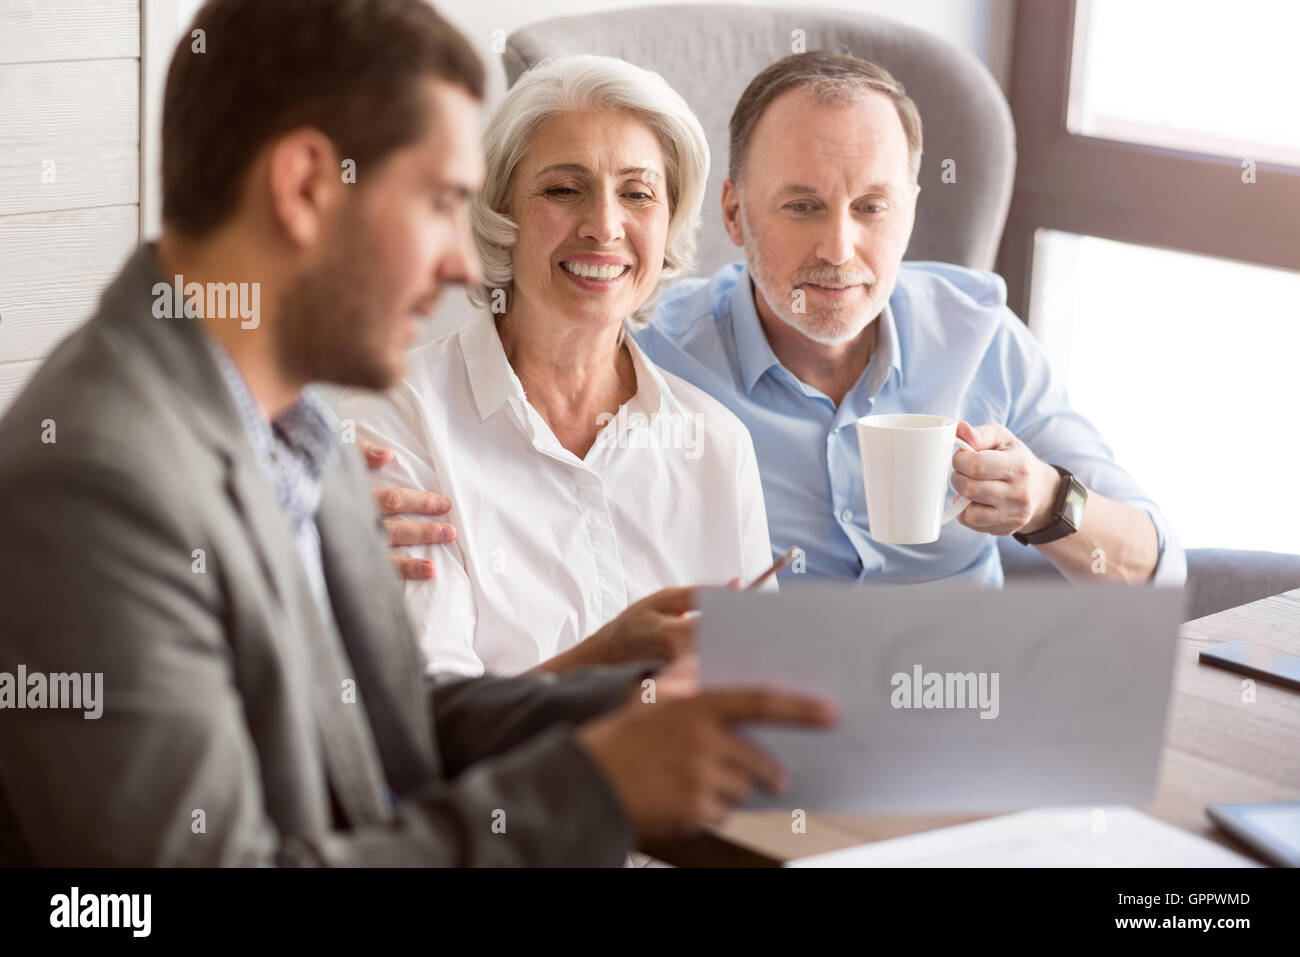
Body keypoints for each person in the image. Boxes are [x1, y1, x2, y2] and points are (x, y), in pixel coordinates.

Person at [0, 0, 835, 867]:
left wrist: (638, 701)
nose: (465, 263)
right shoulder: (100, 488)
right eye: (441, 202)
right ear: (305, 187)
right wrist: (594, 786)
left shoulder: (295, 425)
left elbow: (386, 723)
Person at [631, 52, 1187, 588]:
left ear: (910, 212)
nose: (838, 250)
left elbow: (1155, 571)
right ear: (734, 212)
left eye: (872, 207)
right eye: (802, 206)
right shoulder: (651, 352)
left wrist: (1045, 502)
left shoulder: (981, 337)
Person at [339, 55, 774, 679]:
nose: (604, 225)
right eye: (563, 190)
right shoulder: (397, 414)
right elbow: (430, 720)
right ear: (501, 211)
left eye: (638, 194)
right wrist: (605, 662)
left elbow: (754, 692)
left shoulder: (718, 444)